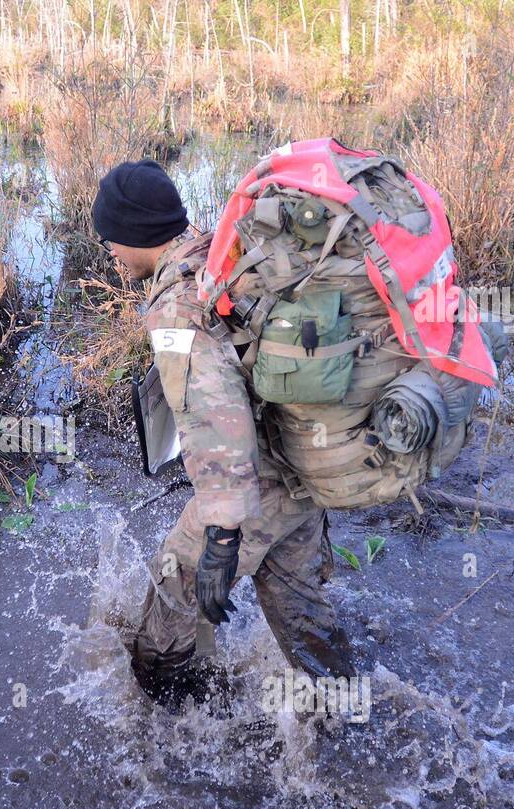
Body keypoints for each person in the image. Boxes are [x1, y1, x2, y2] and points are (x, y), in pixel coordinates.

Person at [92, 159, 356, 709]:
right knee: (302, 615)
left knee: (166, 610)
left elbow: (217, 424)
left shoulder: (176, 309)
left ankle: (171, 736)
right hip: (303, 468)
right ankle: (350, 720)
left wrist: (220, 539)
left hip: (253, 485)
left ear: (139, 234)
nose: (109, 249)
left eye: (112, 237)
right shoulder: (220, 253)